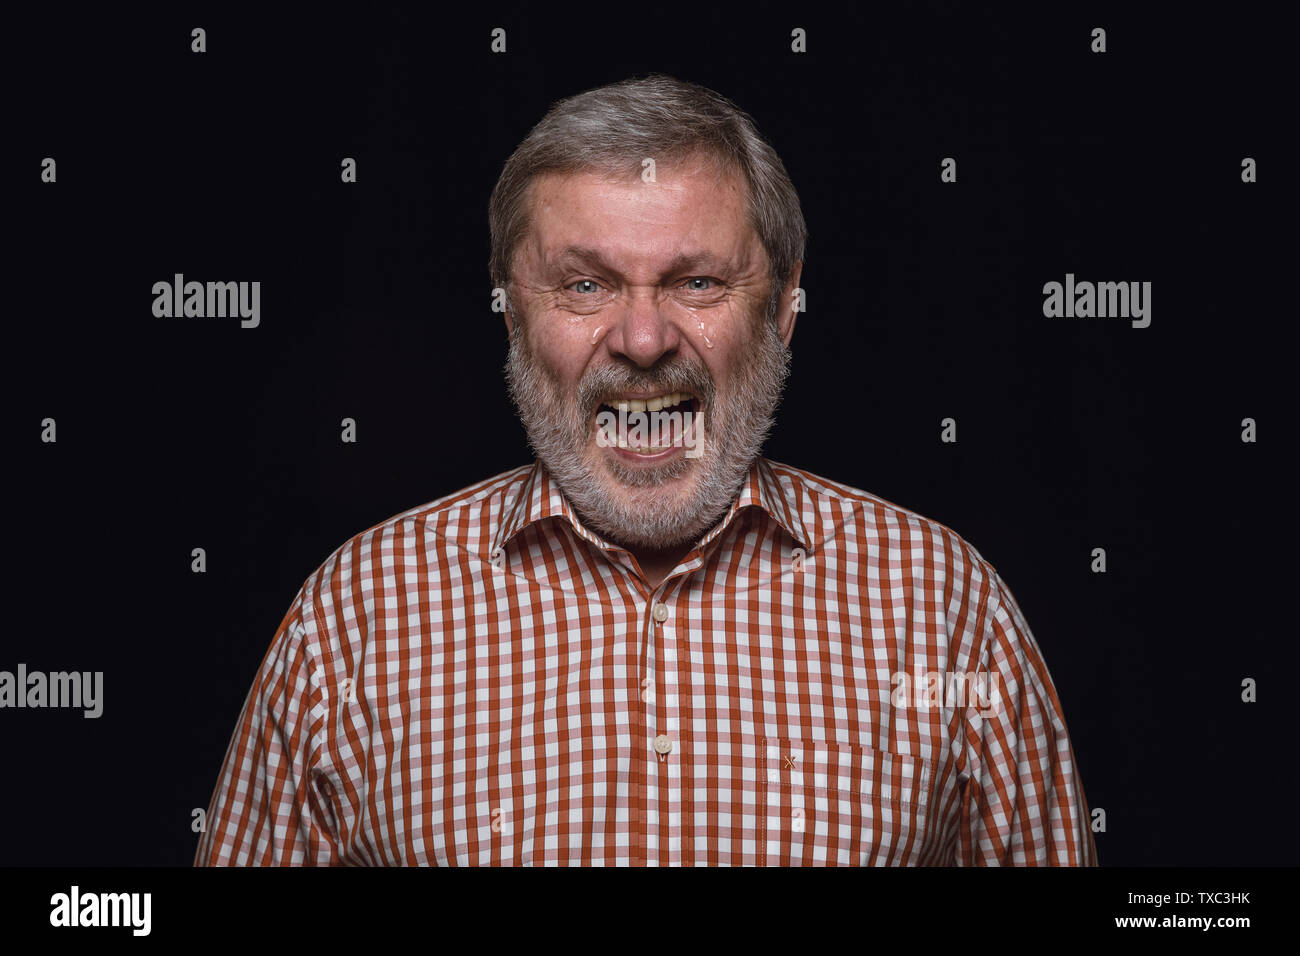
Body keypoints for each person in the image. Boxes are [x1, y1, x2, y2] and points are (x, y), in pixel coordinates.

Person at [196, 74, 1097, 866]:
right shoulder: (353, 620)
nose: (641, 339)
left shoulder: (944, 609)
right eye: (584, 285)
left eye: (697, 283)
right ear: (512, 314)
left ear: (784, 307)